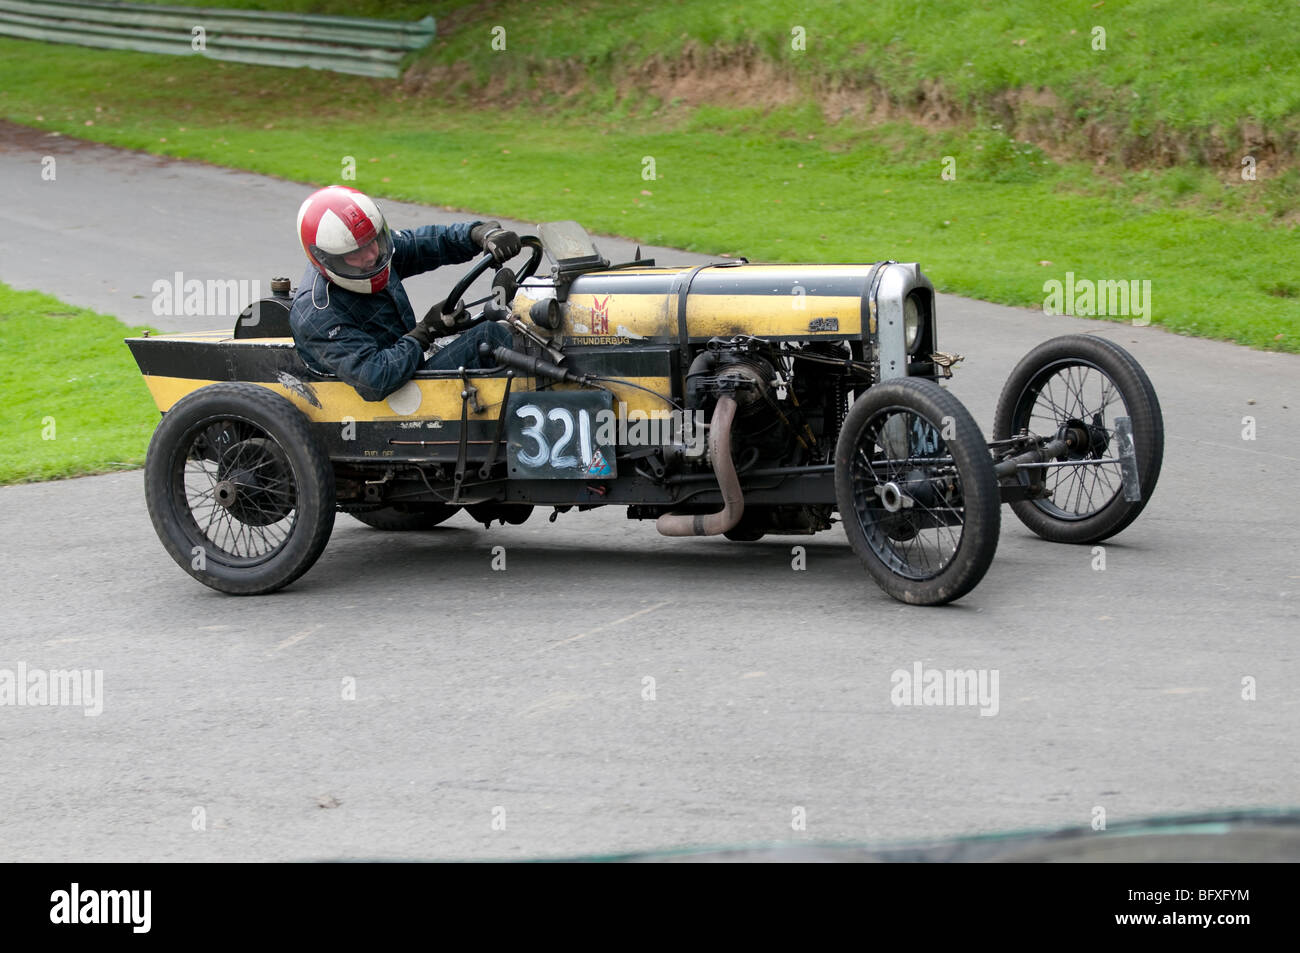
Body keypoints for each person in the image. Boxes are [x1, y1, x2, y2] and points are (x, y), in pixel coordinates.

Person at [289, 185, 520, 400]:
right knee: (489, 338)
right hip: (388, 401)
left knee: (520, 332)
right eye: (356, 252)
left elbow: (430, 243)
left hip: (410, 369)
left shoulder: (376, 255)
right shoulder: (317, 313)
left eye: (373, 241)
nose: (371, 255)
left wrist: (480, 234)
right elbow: (374, 379)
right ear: (327, 259)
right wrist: (424, 332)